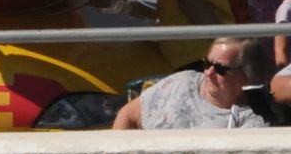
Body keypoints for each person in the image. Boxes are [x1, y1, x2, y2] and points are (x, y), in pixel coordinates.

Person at [114, 37, 270, 129]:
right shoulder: (182, 81)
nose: (208, 73)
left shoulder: (253, 119)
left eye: (220, 69)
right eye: (207, 64)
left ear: (246, 75)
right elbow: (127, 115)